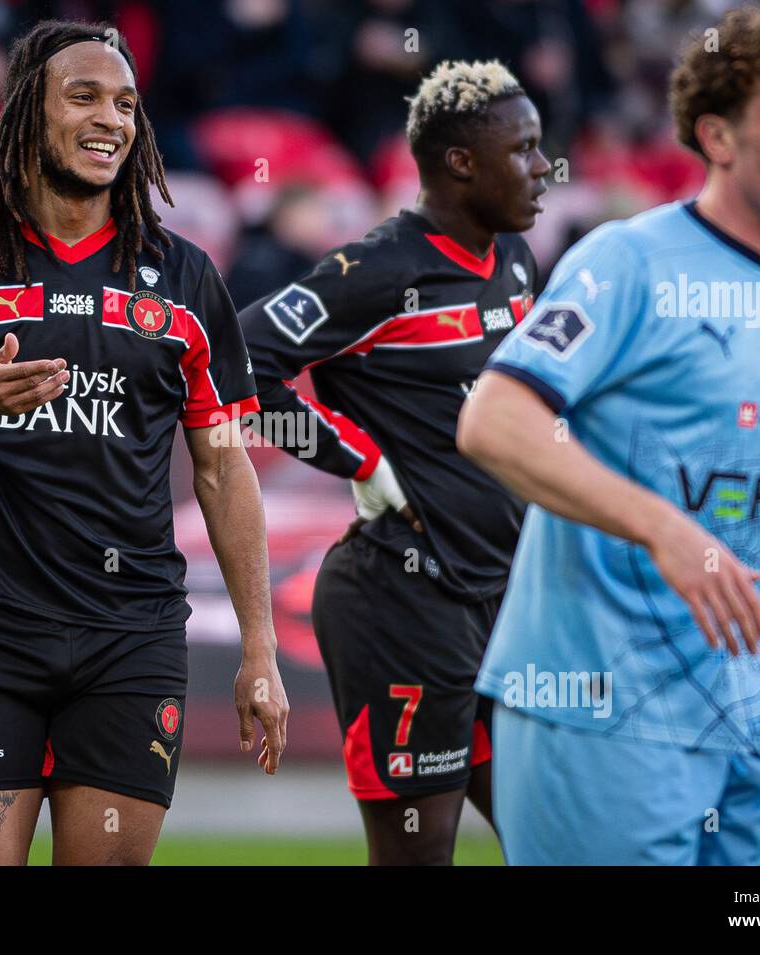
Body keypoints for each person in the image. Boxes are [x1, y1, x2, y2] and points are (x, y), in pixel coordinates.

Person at [457, 5, 760, 865]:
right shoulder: (630, 263)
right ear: (719, 136)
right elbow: (495, 419)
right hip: (597, 713)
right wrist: (665, 527)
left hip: (753, 722)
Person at [0, 19, 288, 866]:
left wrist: (259, 647)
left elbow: (223, 465)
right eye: (85, 95)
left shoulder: (190, 280)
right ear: (27, 112)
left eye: (127, 102)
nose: (112, 118)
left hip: (133, 639)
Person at [239, 60, 548, 865]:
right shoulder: (378, 271)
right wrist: (359, 457)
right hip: (404, 600)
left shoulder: (516, 259)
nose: (544, 168)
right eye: (523, 150)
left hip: (504, 599)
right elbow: (230, 362)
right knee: (419, 851)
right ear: (460, 163)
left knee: (561, 832)